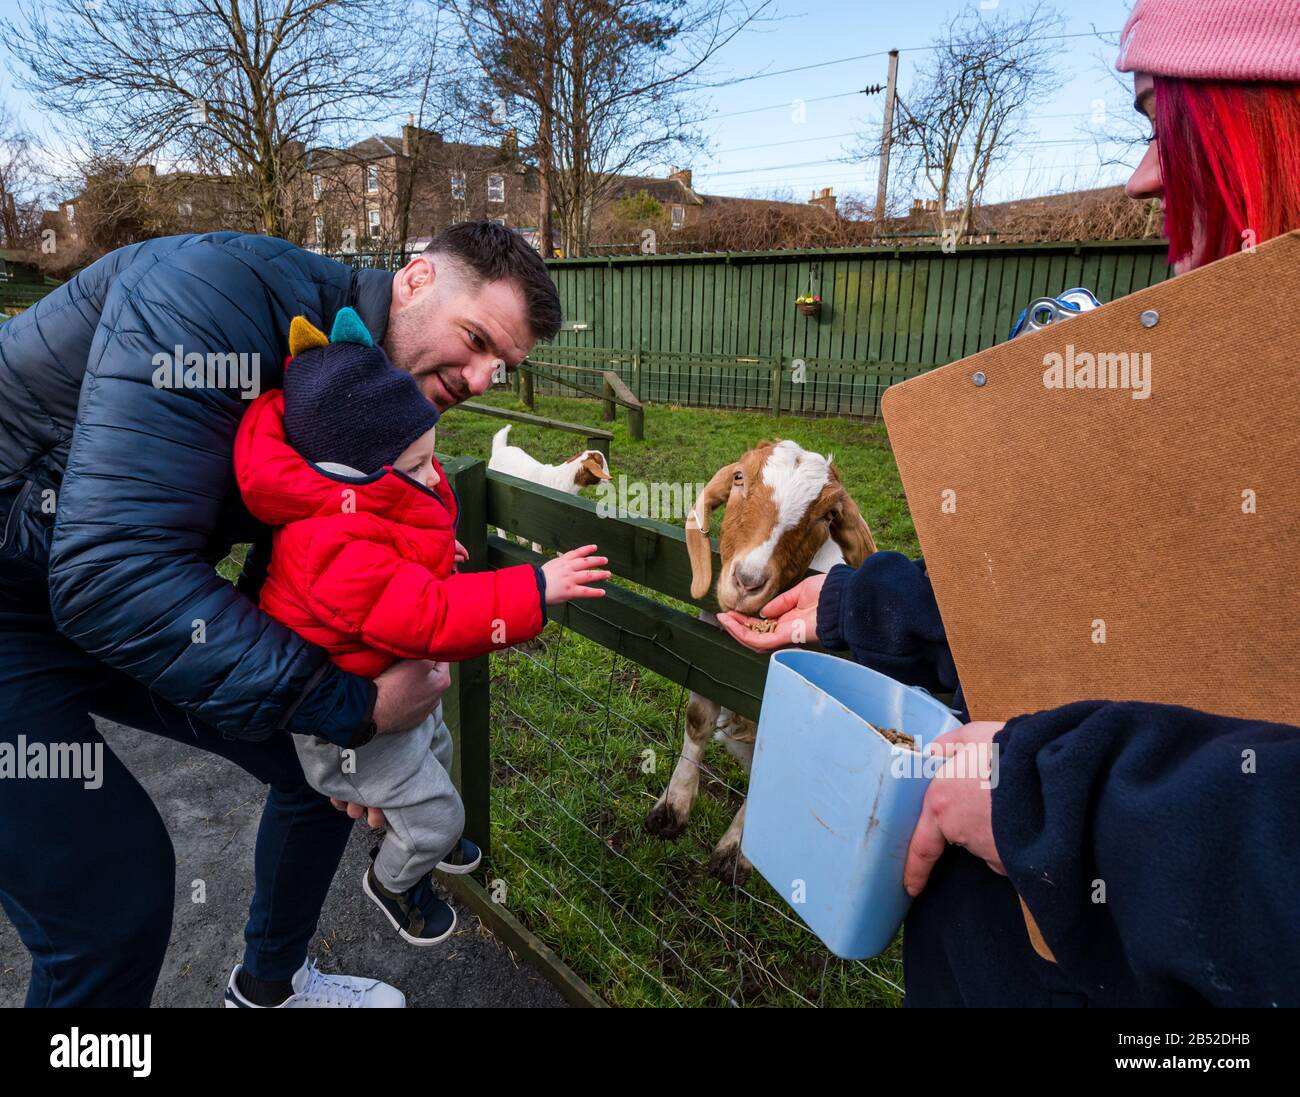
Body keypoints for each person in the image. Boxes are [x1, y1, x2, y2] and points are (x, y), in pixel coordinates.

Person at [719, 0, 1300, 1007]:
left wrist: (1040, 798)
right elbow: (1113, 610)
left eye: (1167, 121)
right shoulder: (1247, 392)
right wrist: (862, 605)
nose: (1142, 175)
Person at [0, 220, 560, 1007]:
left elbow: (295, 551)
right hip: (27, 602)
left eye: (499, 365)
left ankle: (271, 984)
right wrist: (351, 705)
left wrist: (350, 707)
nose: (478, 376)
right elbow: (116, 574)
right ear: (415, 279)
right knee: (109, 904)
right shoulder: (208, 300)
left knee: (322, 757)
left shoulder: (352, 374)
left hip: (80, 583)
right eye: (474, 339)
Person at [227, 306, 607, 975]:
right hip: (347, 726)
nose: (436, 479)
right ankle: (397, 879)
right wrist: (532, 589)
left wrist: (431, 548)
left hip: (385, 694)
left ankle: (424, 835)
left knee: (439, 744)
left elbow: (392, 554)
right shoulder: (332, 543)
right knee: (437, 813)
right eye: (422, 467)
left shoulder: (348, 509)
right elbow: (427, 615)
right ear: (363, 477)